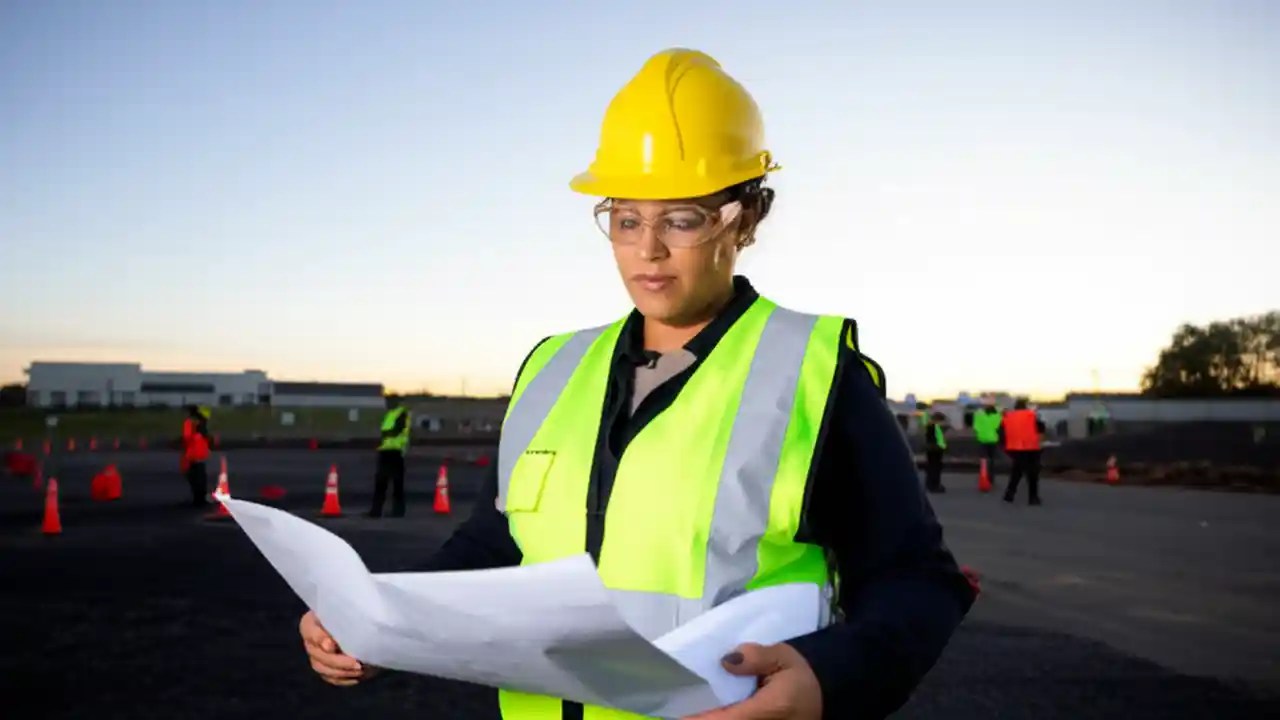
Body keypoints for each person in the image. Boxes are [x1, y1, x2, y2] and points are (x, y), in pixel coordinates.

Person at [299, 48, 974, 719]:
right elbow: (496, 547)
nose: (648, 249)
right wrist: (376, 619)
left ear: (749, 218)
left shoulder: (816, 374)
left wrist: (827, 682)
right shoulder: (553, 370)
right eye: (626, 219)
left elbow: (916, 578)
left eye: (681, 218)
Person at [368, 395, 411, 518]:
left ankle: (397, 511)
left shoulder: (401, 413)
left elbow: (397, 430)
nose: (386, 404)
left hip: (395, 452)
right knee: (381, 483)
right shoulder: (389, 414)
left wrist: (385, 435)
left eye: (388, 401)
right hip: (385, 451)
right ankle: (376, 511)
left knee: (397, 484)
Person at [1001, 397, 1046, 506]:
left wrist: (1006, 447)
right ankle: (1033, 498)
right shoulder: (1032, 415)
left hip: (1015, 448)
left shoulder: (1007, 417)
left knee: (1016, 472)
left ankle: (1009, 495)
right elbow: (1041, 428)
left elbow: (1001, 433)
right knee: (1032, 474)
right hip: (1031, 448)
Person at [181, 405, 211, 507]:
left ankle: (198, 499)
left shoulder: (190, 423)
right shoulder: (203, 426)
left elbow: (187, 437)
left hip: (193, 455)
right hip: (201, 455)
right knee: (201, 478)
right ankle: (201, 498)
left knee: (194, 478)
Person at [972, 400, 1002, 486]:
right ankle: (991, 478)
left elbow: (975, 427)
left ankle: (983, 477)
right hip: (993, 440)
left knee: (983, 460)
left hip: (982, 439)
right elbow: (998, 426)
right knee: (992, 460)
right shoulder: (997, 416)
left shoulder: (979, 415)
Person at [923, 411, 948, 493]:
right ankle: (934, 485)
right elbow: (939, 439)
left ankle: (930, 484)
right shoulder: (936, 427)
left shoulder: (930, 426)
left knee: (931, 466)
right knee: (936, 467)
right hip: (936, 449)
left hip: (930, 449)